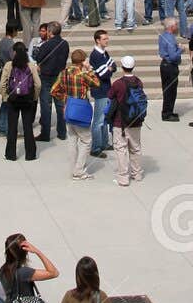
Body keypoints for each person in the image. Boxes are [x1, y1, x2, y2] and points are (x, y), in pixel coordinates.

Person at [51, 50, 100, 180]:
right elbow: (97, 83)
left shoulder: (64, 73)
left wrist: (65, 99)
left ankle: (73, 167)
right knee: (86, 140)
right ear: (82, 61)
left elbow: (54, 90)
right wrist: (89, 69)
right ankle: (78, 171)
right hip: (81, 110)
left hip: (68, 109)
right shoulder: (83, 74)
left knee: (72, 139)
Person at [107, 55, 146, 186]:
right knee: (135, 148)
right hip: (136, 121)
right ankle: (137, 174)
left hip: (120, 122)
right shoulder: (139, 82)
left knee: (121, 149)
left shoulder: (118, 84)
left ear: (122, 67)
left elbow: (110, 96)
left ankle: (123, 177)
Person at [0, 41, 39, 162]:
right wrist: (34, 98)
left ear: (15, 52)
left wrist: (6, 98)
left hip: (13, 100)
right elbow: (38, 84)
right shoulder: (31, 65)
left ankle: (10, 154)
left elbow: (3, 84)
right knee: (28, 127)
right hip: (27, 100)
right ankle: (30, 154)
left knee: (12, 128)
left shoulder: (9, 65)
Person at [35, 20, 69, 142]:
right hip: (59, 76)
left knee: (46, 106)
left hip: (46, 77)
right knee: (60, 106)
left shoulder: (46, 45)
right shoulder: (65, 43)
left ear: (49, 32)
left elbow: (38, 58)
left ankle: (45, 134)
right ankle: (62, 132)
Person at [88, 28, 117, 157]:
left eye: (107, 38)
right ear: (97, 40)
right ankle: (96, 148)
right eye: (104, 39)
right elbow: (103, 74)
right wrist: (109, 68)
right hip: (100, 91)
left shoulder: (104, 53)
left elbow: (113, 66)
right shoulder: (96, 55)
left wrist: (109, 68)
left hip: (106, 90)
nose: (107, 40)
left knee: (105, 119)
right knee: (99, 120)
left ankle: (104, 143)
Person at [157, 15, 182, 121]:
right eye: (176, 25)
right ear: (172, 26)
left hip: (164, 65)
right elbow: (173, 56)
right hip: (170, 66)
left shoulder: (162, 36)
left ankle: (168, 111)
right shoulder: (171, 38)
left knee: (167, 90)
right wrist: (180, 49)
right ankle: (167, 113)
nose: (177, 27)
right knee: (171, 91)